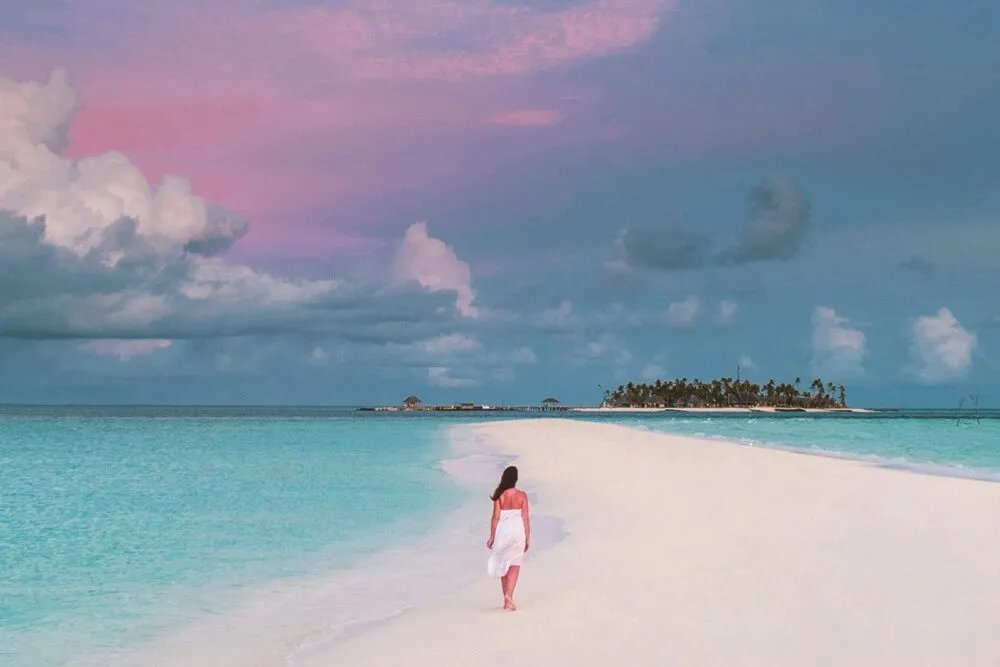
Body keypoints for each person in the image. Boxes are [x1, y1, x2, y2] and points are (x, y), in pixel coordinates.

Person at [486, 465, 530, 611]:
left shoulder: (500, 495)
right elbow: (525, 518)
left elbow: (495, 518)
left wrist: (492, 536)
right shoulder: (522, 495)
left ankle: (506, 598)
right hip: (517, 532)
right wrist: (528, 537)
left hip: (503, 533)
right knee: (515, 565)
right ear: (516, 479)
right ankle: (509, 596)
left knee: (503, 564)